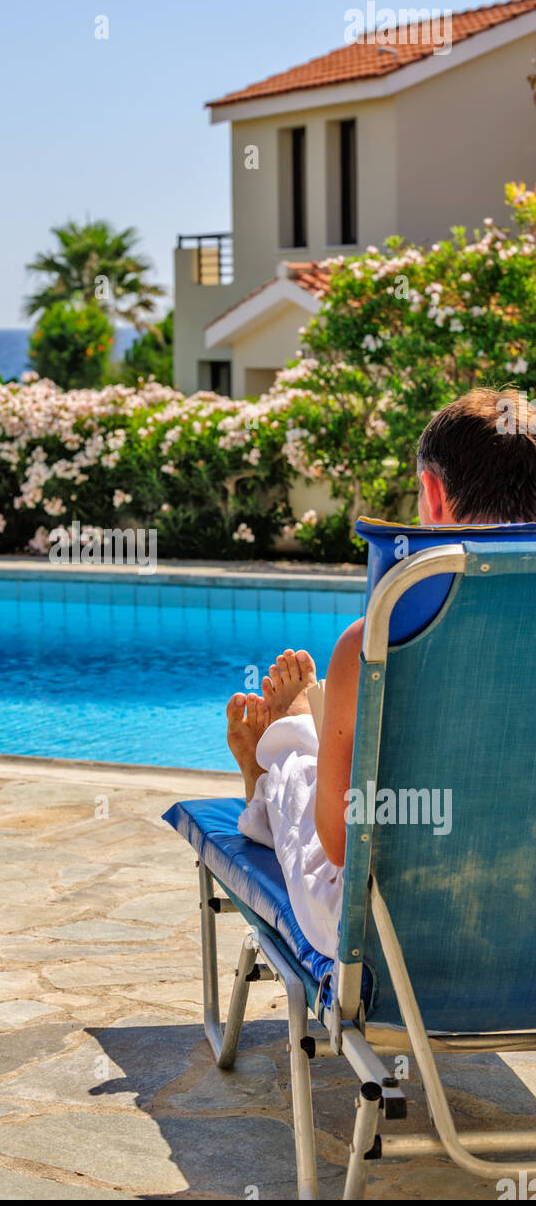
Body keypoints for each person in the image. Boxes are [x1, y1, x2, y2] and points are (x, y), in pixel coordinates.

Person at [224, 388, 536, 958]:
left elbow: (342, 845)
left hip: (390, 933)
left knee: (310, 782)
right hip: (524, 929)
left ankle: (280, 755)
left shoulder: (374, 641)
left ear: (433, 494)